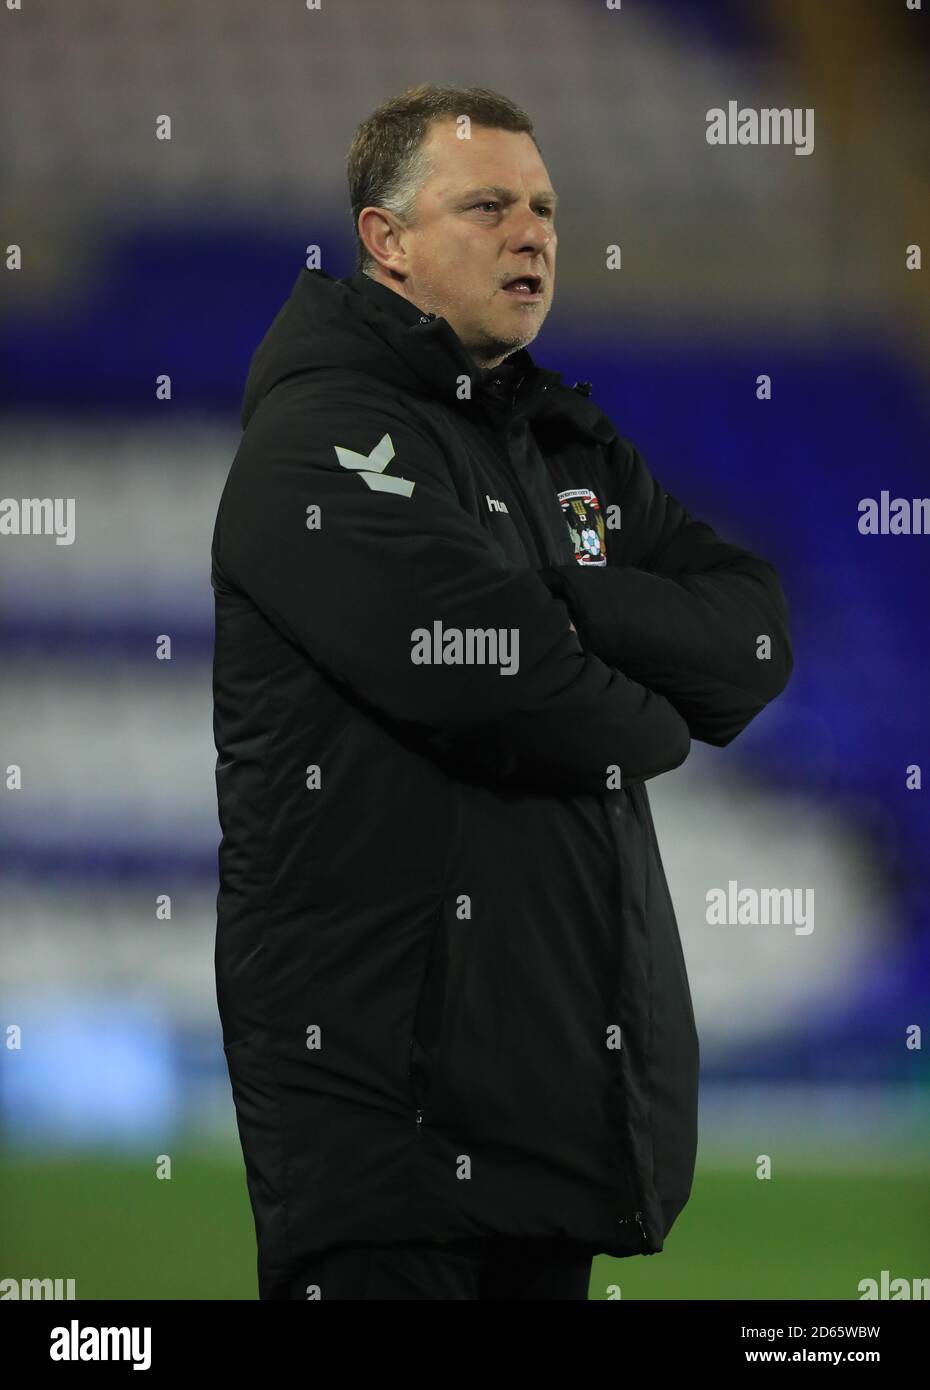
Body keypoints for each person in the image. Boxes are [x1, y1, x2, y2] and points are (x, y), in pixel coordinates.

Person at [210, 84, 792, 1300]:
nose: (532, 232)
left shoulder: (562, 441)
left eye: (543, 208)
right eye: (487, 206)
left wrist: (565, 606)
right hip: (388, 1138)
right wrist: (646, 711)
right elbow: (500, 682)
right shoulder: (323, 436)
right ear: (387, 242)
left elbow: (750, 641)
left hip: (554, 1125)